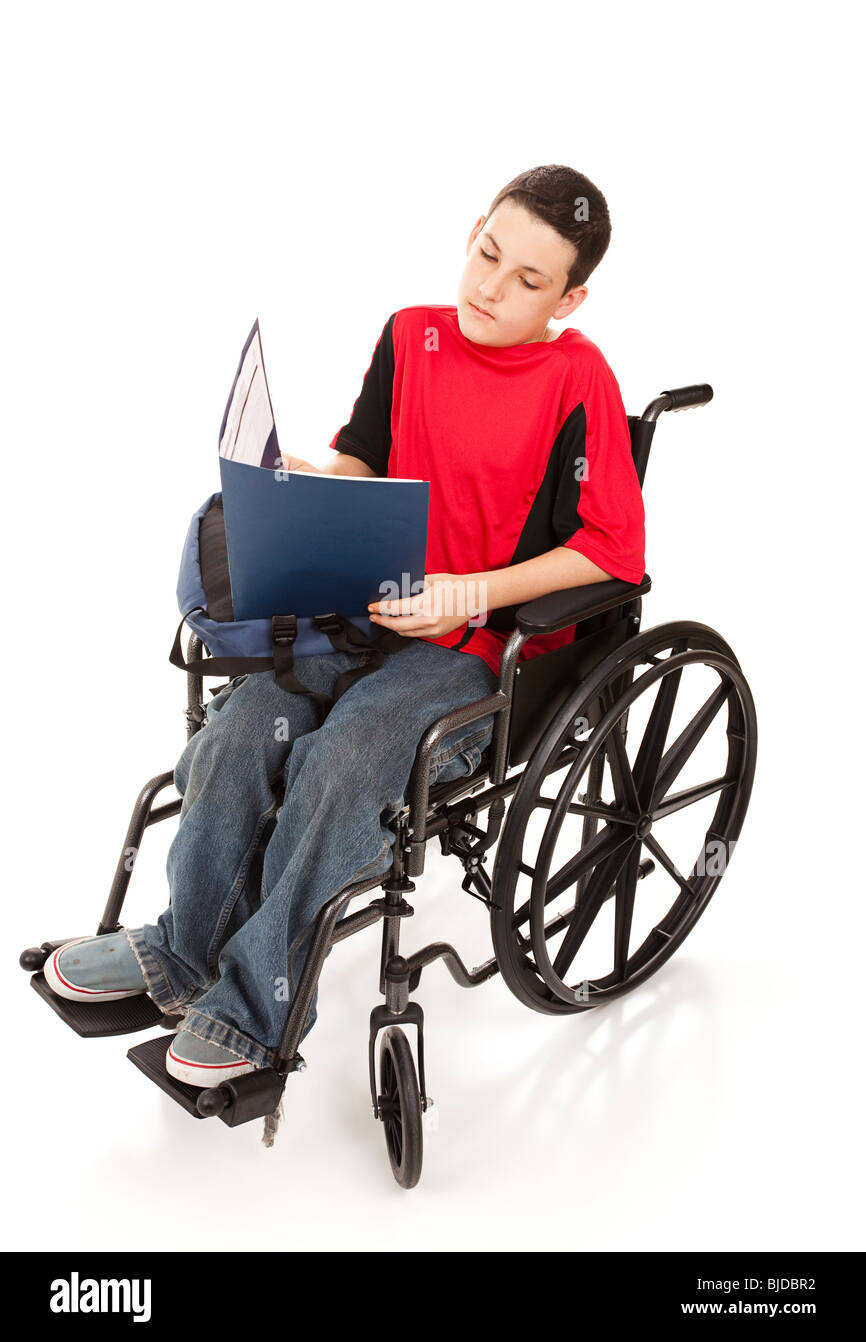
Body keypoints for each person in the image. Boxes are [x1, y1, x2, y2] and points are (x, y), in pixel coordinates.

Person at [43, 164, 646, 1088]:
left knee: (343, 758)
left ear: (572, 297)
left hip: (479, 651)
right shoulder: (414, 336)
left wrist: (470, 593)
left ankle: (253, 1014)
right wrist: (308, 483)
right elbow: (369, 456)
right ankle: (181, 951)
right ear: (474, 227)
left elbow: (609, 551)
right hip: (369, 607)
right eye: (487, 254)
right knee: (239, 729)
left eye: (528, 281)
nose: (491, 287)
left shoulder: (577, 378)